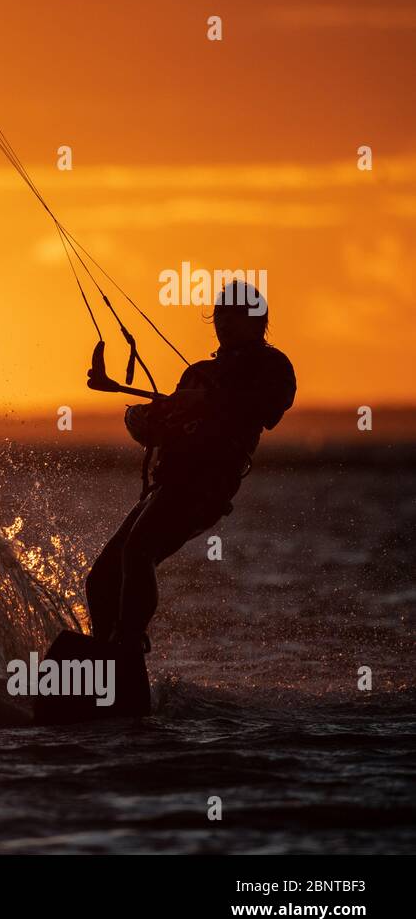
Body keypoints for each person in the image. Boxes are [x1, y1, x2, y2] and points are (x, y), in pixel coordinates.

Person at [85, 280, 296, 654]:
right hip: (169, 485)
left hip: (207, 487)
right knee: (101, 578)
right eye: (219, 314)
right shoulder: (197, 372)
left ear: (258, 319)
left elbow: (267, 409)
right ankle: (104, 654)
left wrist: (208, 400)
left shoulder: (272, 365)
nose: (224, 322)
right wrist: (139, 419)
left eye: (235, 314)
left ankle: (128, 646)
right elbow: (166, 430)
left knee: (138, 551)